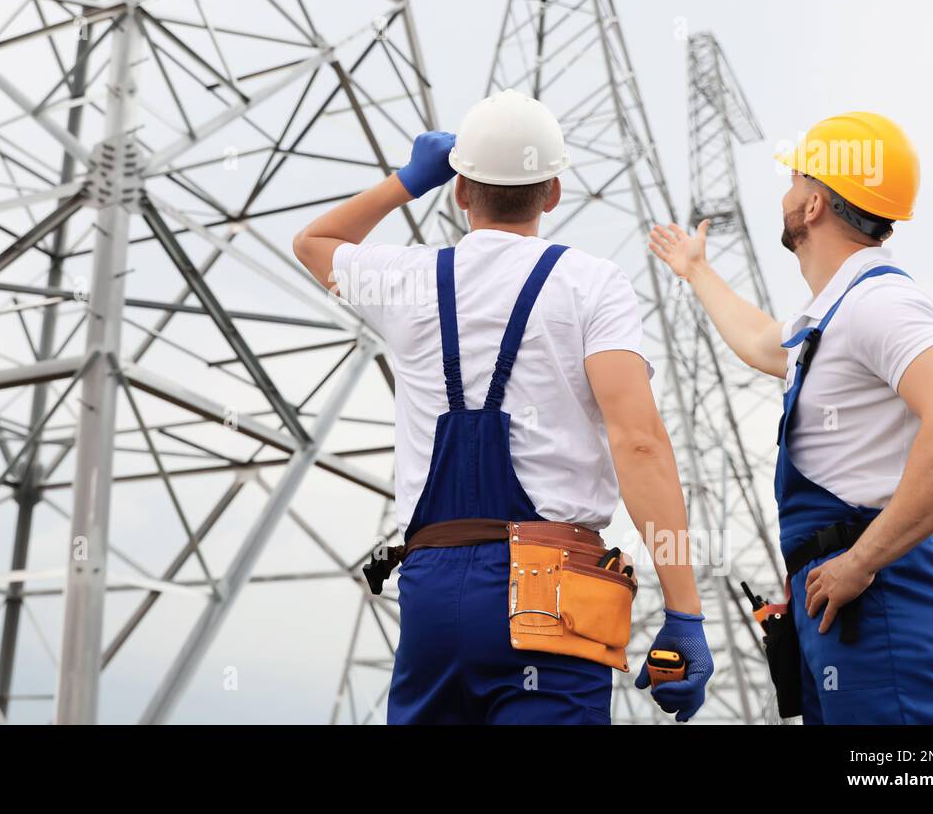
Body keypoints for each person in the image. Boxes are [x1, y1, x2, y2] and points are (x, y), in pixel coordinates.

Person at [293, 88, 712, 724]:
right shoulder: (592, 284)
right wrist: (685, 612)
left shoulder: (406, 280)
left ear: (460, 191)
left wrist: (407, 182)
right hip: (552, 595)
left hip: (433, 585)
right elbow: (640, 443)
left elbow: (314, 241)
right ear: (553, 191)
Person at [648, 111, 933, 723]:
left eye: (793, 183)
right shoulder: (835, 313)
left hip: (879, 596)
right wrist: (696, 270)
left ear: (814, 204)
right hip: (842, 604)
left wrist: (862, 559)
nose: (785, 196)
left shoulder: (879, 303)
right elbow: (766, 344)